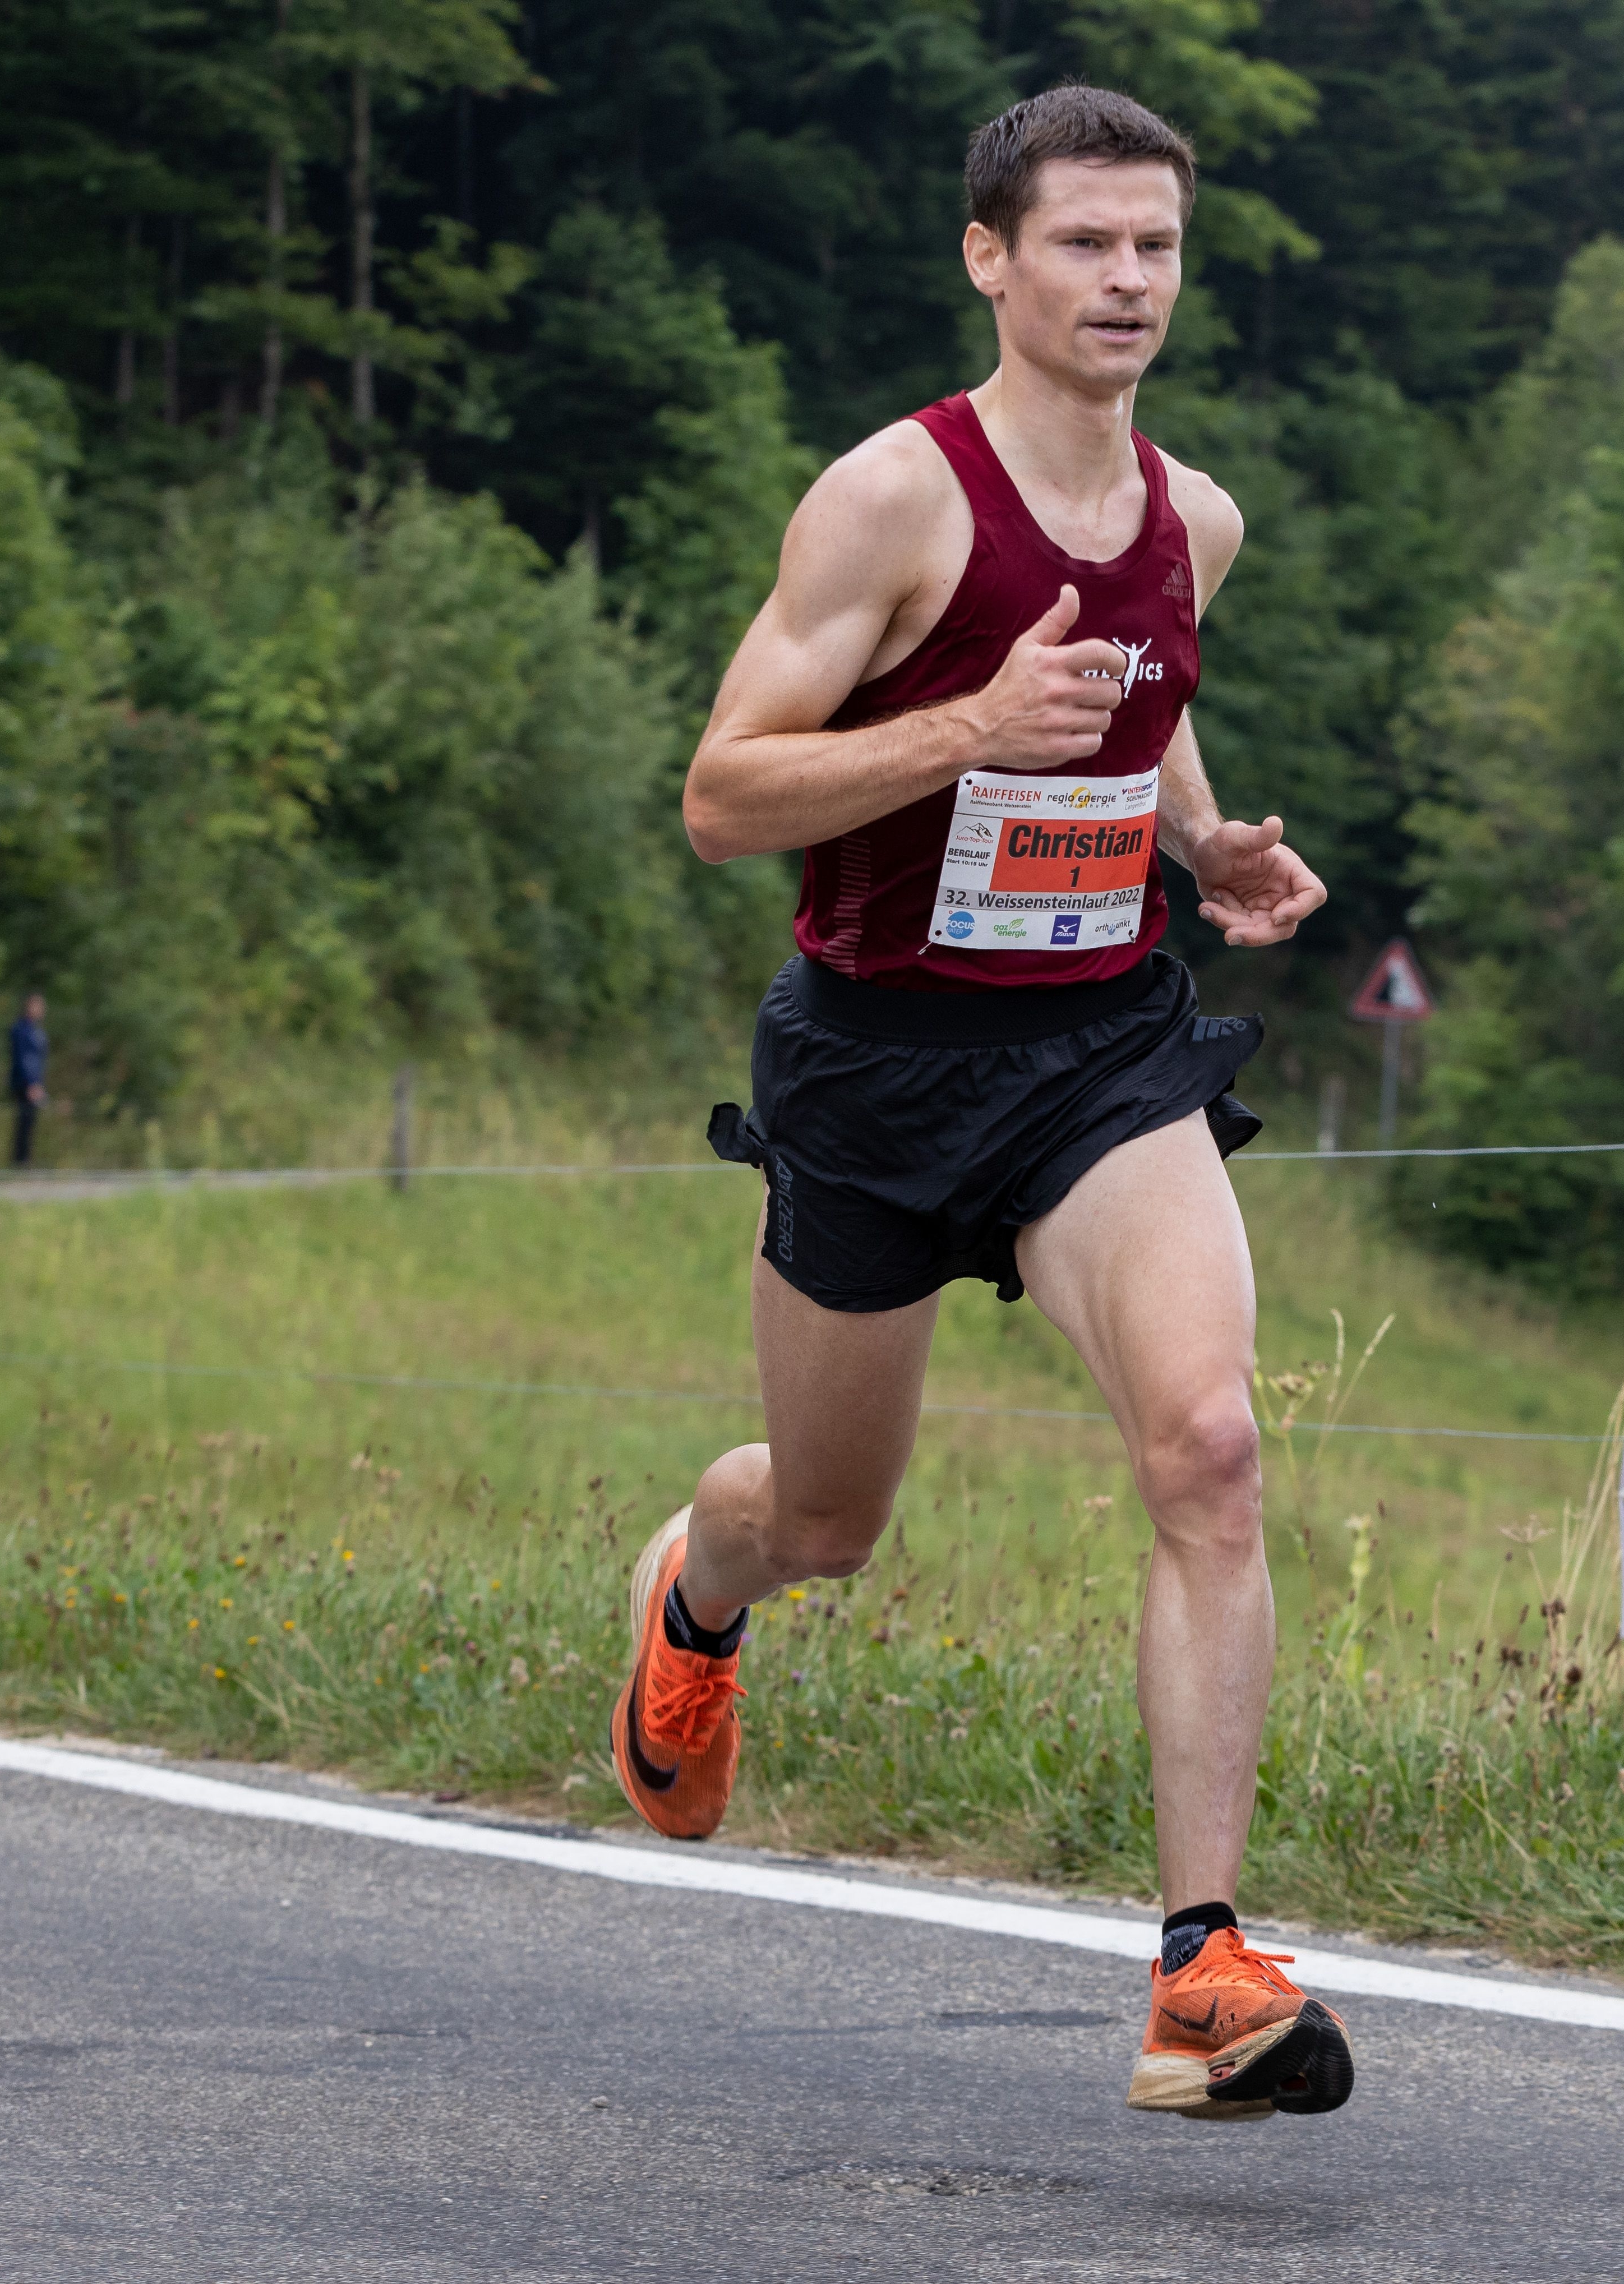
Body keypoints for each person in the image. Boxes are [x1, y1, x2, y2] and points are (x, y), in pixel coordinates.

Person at [610, 86, 1345, 2123]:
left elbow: (1138, 713)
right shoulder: (891, 505)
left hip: (1098, 1048)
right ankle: (702, 1582)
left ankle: (1203, 1972)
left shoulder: (1193, 519)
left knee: (1209, 1447)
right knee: (828, 1519)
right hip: (873, 1065)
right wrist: (962, 726)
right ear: (989, 261)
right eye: (1088, 246)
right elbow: (719, 795)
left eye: (1157, 248)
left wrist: (1198, 846)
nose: (1128, 283)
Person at [7, 994, 48, 1167]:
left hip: (35, 1083)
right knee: (24, 1121)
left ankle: (26, 1160)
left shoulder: (36, 1031)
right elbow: (23, 1059)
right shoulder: (21, 1030)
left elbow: (39, 1060)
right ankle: (21, 1161)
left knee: (30, 1123)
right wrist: (31, 1084)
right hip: (25, 1084)